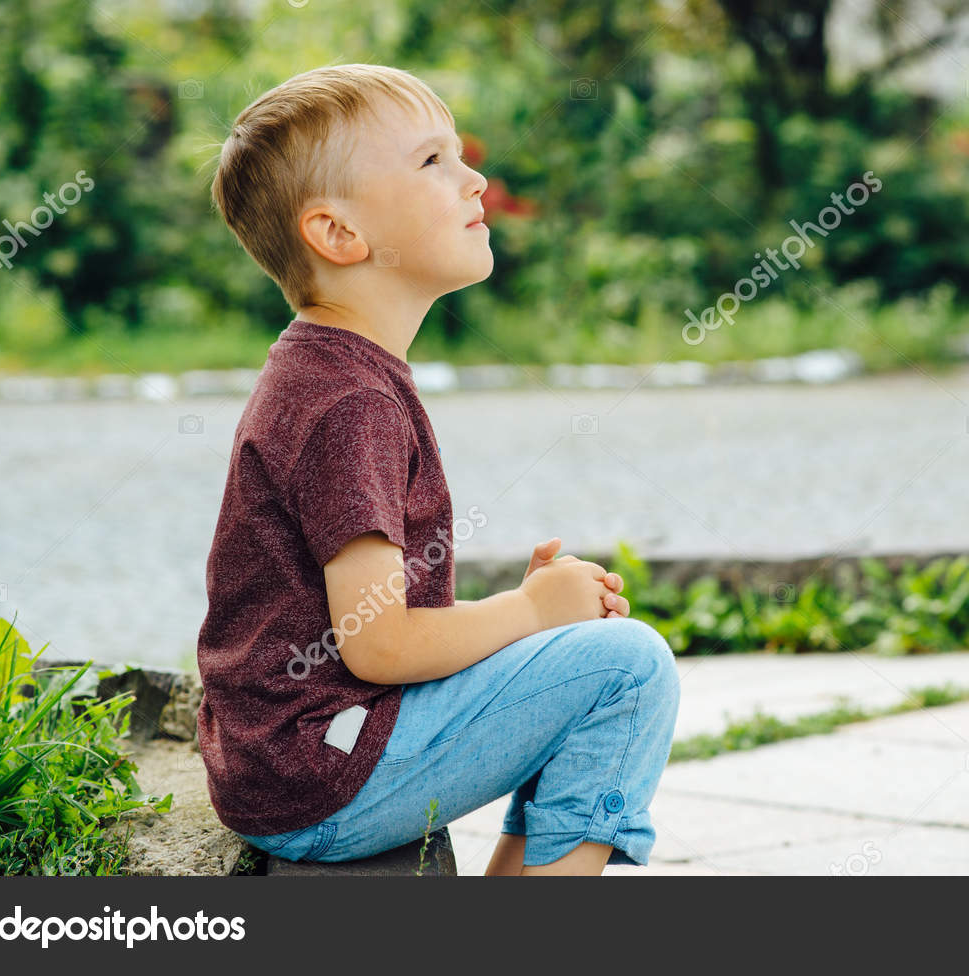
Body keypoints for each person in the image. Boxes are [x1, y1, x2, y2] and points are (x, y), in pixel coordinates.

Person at [196, 64, 680, 875]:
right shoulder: (347, 400)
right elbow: (377, 644)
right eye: (432, 163)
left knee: (582, 658)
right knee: (628, 670)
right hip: (320, 771)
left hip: (294, 758)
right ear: (340, 235)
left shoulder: (338, 369)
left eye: (459, 156)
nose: (474, 178)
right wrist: (525, 612)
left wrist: (532, 622)